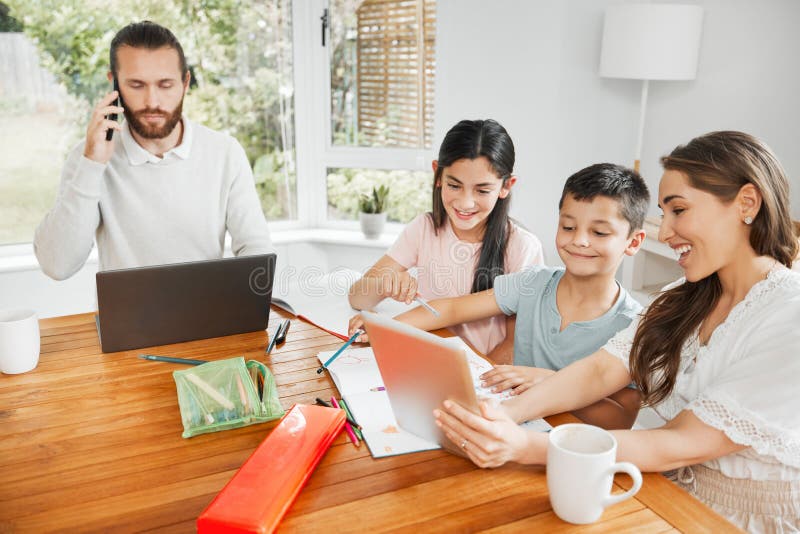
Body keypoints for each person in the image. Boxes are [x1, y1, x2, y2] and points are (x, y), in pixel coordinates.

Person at [434, 131, 800, 532]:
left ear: (746, 203)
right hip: (653, 486)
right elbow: (599, 371)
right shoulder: (682, 297)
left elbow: (679, 442)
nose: (667, 231)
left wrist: (525, 446)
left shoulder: (789, 314)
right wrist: (502, 415)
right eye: (664, 212)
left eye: (678, 210)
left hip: (740, 519)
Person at [353, 163, 649, 429]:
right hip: (504, 425)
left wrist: (551, 382)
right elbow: (451, 309)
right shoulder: (534, 282)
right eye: (568, 227)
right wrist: (385, 328)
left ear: (633, 242)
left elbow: (620, 418)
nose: (579, 240)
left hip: (569, 446)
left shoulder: (633, 324)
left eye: (599, 233)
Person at [34, 21, 273, 280]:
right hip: (125, 320)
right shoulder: (89, 156)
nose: (152, 102)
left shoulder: (225, 153)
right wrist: (92, 164)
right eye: (136, 85)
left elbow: (257, 250)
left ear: (185, 82)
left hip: (207, 316)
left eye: (165, 85)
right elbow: (57, 266)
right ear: (114, 84)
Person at [348, 119, 544, 360]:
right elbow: (357, 297)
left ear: (506, 186)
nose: (465, 203)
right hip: (428, 361)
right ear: (437, 175)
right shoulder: (424, 228)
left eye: (482, 191)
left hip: (485, 377)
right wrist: (385, 282)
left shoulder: (522, 247)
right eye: (454, 185)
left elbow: (516, 345)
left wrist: (473, 379)